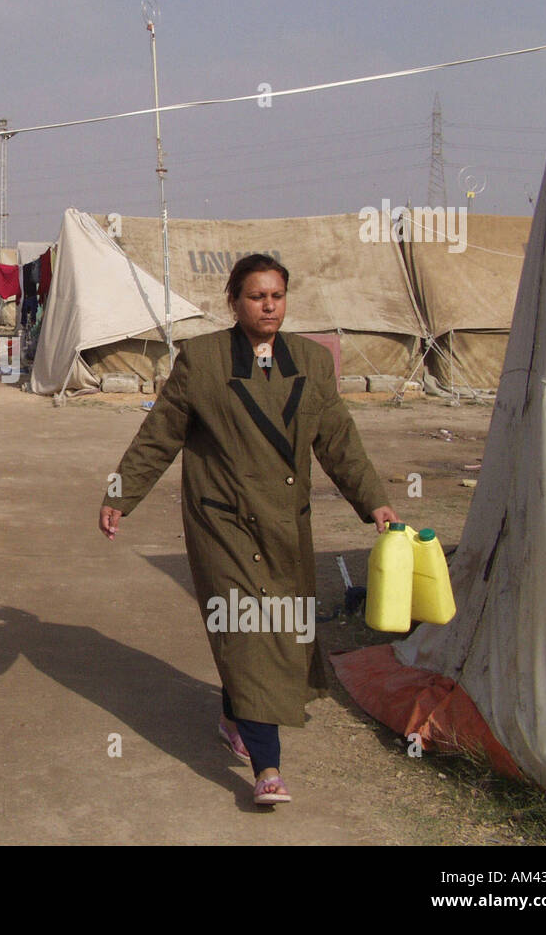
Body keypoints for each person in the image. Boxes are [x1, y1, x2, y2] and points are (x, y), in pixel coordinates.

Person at [97, 254, 399, 805]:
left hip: (286, 526)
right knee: (246, 630)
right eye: (256, 296)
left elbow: (338, 440)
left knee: (276, 630)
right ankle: (268, 768)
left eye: (277, 296)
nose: (268, 306)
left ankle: (237, 711)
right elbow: (160, 434)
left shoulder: (310, 360)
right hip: (224, 524)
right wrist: (122, 494)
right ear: (233, 301)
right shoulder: (203, 360)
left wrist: (374, 502)